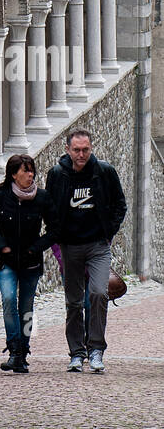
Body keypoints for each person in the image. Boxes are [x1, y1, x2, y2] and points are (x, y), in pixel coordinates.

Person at [45, 127, 126, 374]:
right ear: (67, 149)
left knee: (99, 293)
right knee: (73, 302)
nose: (81, 155)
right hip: (70, 247)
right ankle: (77, 353)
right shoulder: (57, 174)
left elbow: (119, 204)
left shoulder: (104, 172)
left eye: (85, 150)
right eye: (77, 150)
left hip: (98, 246)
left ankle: (96, 349)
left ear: (91, 149)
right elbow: (50, 209)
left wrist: (107, 232)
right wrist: (57, 237)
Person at [0, 153, 56, 374]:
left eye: (32, 170)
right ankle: (14, 348)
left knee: (26, 308)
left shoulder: (42, 197)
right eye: (25, 170)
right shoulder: (0, 196)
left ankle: (23, 350)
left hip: (30, 262)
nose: (30, 174)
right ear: (14, 174)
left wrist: (36, 247)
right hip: (7, 261)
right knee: (7, 300)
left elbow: (54, 229)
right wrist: (1, 246)